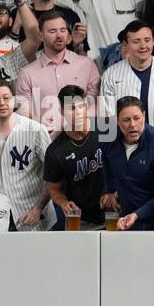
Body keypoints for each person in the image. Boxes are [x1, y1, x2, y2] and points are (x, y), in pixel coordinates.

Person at [0, 78, 55, 232]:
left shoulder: (36, 130)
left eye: (6, 98)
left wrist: (38, 209)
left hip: (35, 218)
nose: (2, 103)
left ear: (14, 100)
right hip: (0, 218)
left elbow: (54, 175)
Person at [104, 96, 154, 232]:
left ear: (143, 116)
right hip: (128, 221)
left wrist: (137, 215)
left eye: (136, 118)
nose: (132, 125)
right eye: (126, 120)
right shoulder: (109, 139)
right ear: (117, 121)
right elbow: (106, 160)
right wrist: (110, 190)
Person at [45, 86, 111, 230]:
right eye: (71, 108)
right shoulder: (55, 150)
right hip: (82, 220)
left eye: (80, 106)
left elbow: (126, 166)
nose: (77, 113)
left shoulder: (107, 129)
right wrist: (63, 203)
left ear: (86, 107)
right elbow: (53, 189)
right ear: (62, 112)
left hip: (115, 214)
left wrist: (115, 192)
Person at [99, 20, 154, 135]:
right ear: (125, 45)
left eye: (147, 40)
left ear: (153, 41)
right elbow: (105, 120)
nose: (143, 46)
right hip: (123, 146)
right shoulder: (110, 75)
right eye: (136, 41)